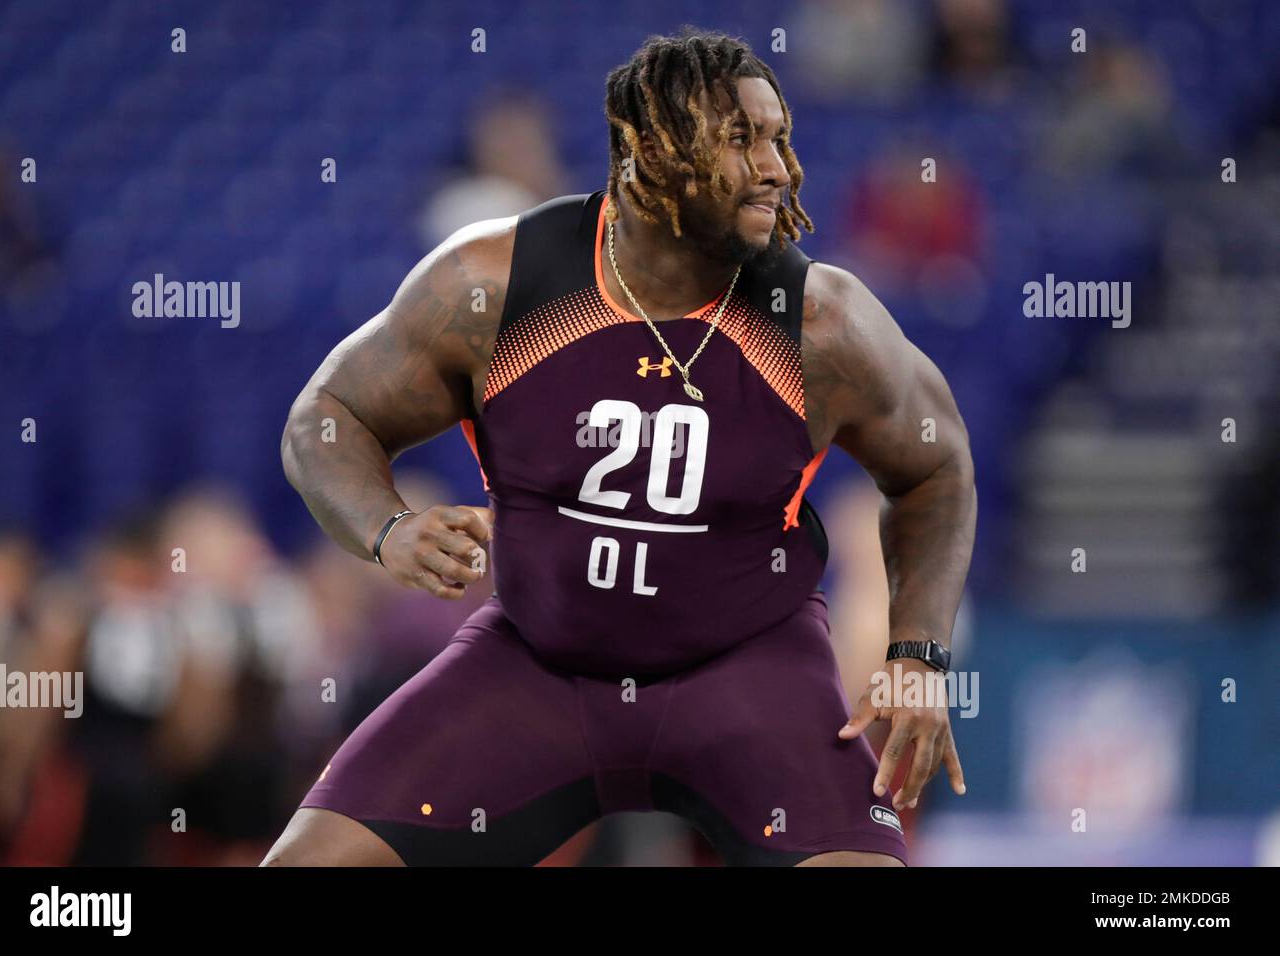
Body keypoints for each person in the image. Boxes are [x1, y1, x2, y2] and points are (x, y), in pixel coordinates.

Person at [265, 28, 975, 867]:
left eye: (778, 138)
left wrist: (917, 655)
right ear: (653, 154)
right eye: (741, 141)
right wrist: (387, 528)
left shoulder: (821, 322)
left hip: (749, 674)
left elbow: (936, 465)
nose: (778, 168)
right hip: (536, 667)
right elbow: (327, 415)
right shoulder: (497, 283)